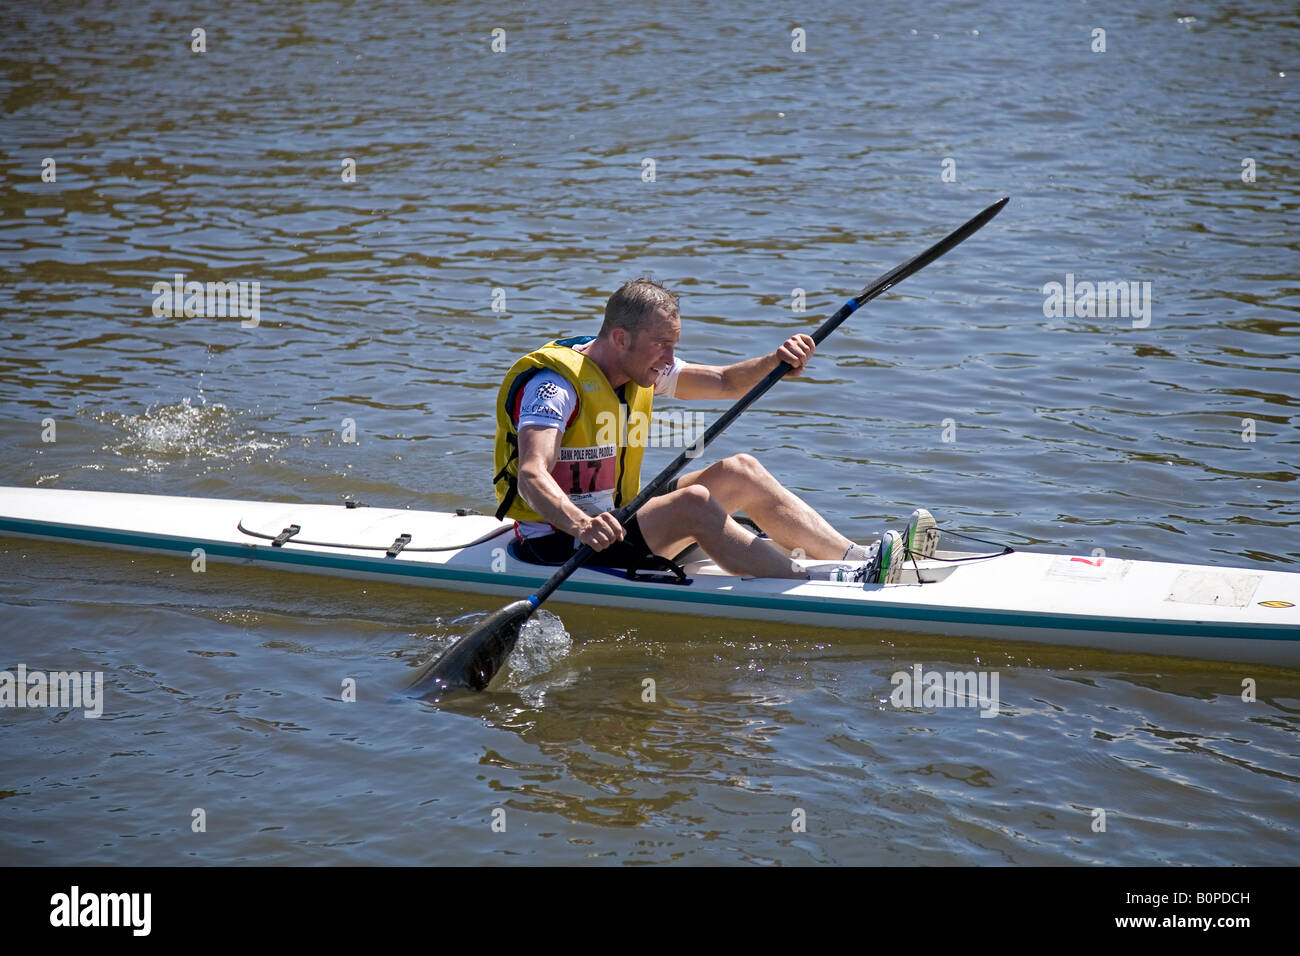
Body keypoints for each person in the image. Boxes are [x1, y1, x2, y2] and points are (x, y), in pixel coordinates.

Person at [491, 278, 936, 583]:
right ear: (621, 338)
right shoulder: (553, 387)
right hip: (561, 542)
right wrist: (583, 523)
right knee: (695, 501)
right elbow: (532, 474)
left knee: (740, 469)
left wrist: (777, 360)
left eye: (673, 345)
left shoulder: (643, 368)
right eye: (660, 345)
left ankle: (856, 558)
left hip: (617, 521)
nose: (668, 358)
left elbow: (724, 381)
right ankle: (827, 582)